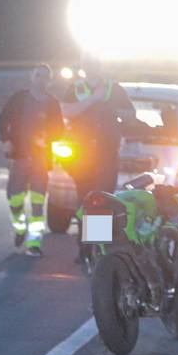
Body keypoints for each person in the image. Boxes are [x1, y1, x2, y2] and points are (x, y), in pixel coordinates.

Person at [60, 58, 136, 262]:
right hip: (82, 154)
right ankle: (84, 247)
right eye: (88, 65)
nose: (91, 68)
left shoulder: (114, 89)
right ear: (84, 68)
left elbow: (130, 113)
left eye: (94, 65)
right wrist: (93, 99)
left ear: (100, 67)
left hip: (106, 153)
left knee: (100, 200)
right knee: (83, 200)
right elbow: (66, 111)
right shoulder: (75, 89)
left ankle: (96, 248)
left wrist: (115, 111)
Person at [0, 64, 64, 257]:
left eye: (45, 77)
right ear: (32, 77)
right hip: (19, 158)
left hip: (40, 161)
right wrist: (6, 140)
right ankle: (19, 227)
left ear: (49, 81)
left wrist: (48, 139)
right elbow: (3, 118)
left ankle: (34, 242)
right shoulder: (19, 99)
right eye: (38, 76)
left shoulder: (52, 103)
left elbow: (59, 130)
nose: (41, 80)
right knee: (14, 197)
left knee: (37, 202)